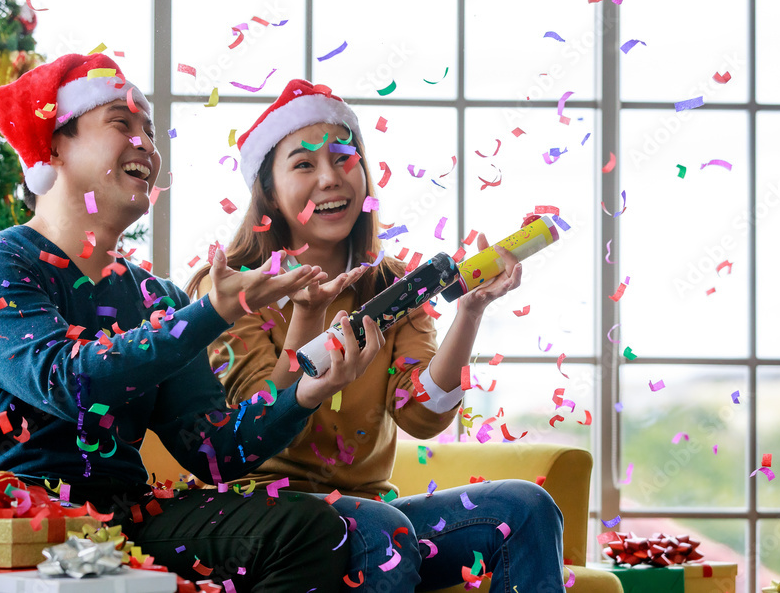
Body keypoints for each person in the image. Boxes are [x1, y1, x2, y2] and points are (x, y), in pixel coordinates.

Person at [0, 55, 379, 591]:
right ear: (54, 146)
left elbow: (213, 453)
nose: (146, 142)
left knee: (310, 529)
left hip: (119, 520)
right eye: (122, 124)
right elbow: (69, 381)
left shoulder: (153, 297)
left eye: (149, 129)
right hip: (1, 519)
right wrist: (214, 310)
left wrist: (305, 393)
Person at [188, 79, 566, 592]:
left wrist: (469, 313)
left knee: (525, 508)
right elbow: (254, 424)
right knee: (383, 531)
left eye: (345, 158)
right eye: (303, 164)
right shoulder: (232, 288)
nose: (331, 178)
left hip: (371, 515)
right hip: (263, 520)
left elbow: (422, 415)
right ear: (269, 194)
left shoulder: (392, 287)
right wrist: (306, 320)